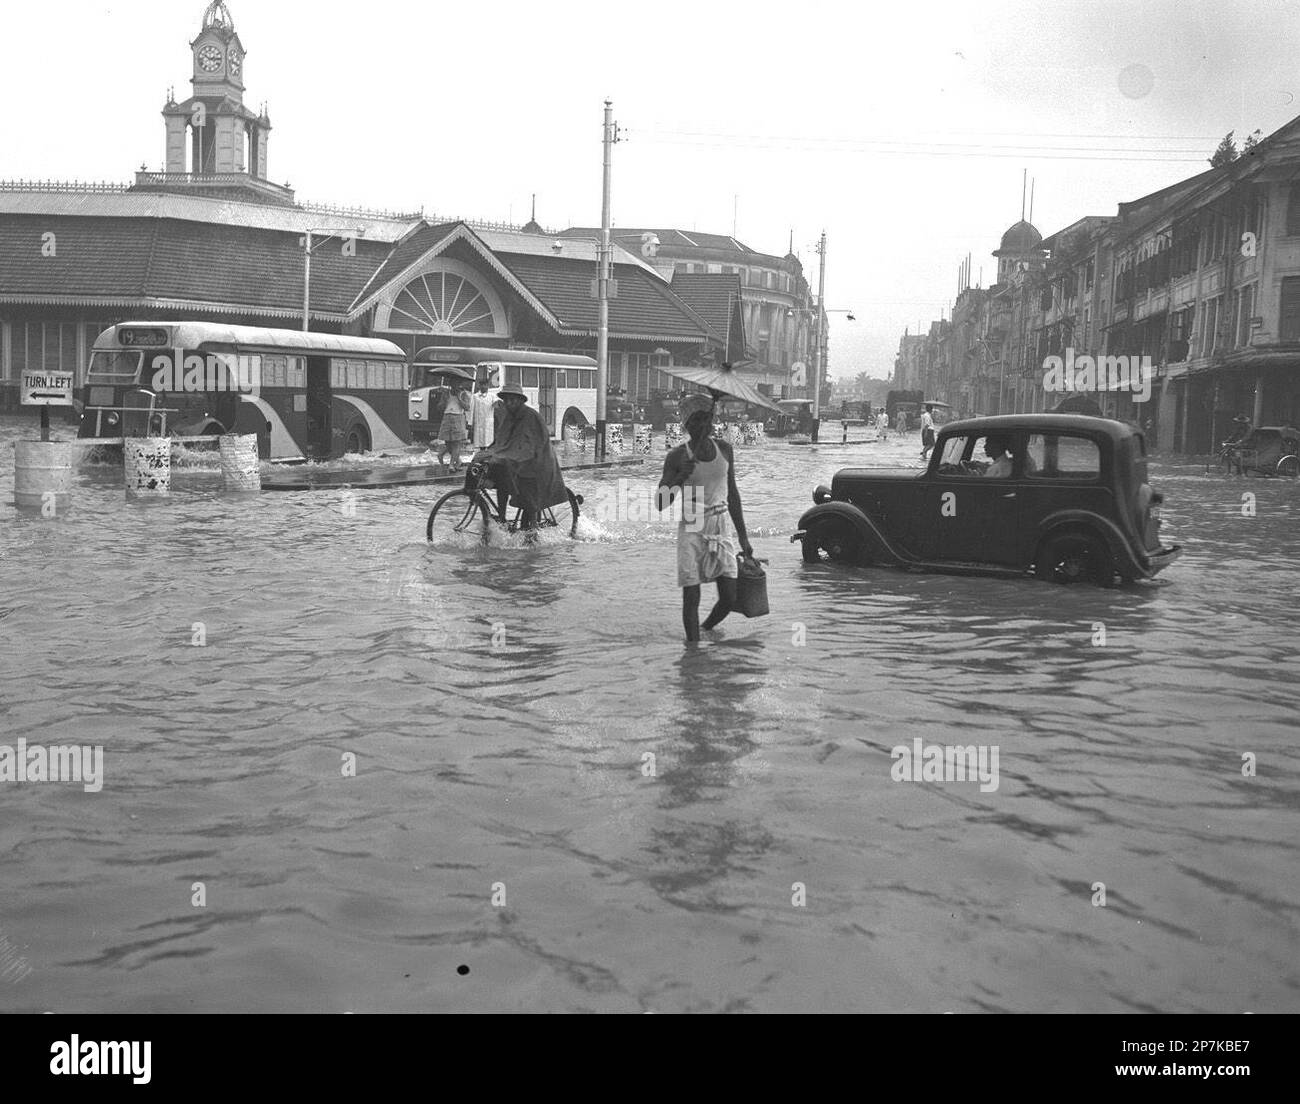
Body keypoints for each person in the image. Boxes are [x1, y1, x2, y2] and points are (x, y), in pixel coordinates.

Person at [657, 393, 753, 643]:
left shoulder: (725, 450)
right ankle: (693, 650)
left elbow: (732, 494)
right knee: (692, 595)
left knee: (729, 596)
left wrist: (743, 537)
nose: (701, 426)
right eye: (695, 421)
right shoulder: (677, 456)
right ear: (686, 425)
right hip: (692, 522)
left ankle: (705, 629)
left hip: (721, 523)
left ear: (712, 421)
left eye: (705, 419)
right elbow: (660, 503)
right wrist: (679, 478)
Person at [471, 384, 567, 534]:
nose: (509, 403)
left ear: (520, 401)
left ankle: (533, 530)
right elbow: (502, 440)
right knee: (497, 473)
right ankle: (502, 517)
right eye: (507, 400)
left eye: (513, 400)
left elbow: (528, 445)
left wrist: (505, 455)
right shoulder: (508, 416)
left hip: (537, 461)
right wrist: (491, 453)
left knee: (528, 489)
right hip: (515, 458)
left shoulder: (531, 416)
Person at [436, 382, 472, 472]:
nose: (455, 386)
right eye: (453, 383)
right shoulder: (446, 394)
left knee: (457, 442)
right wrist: (444, 399)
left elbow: (467, 407)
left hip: (458, 417)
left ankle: (451, 465)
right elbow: (439, 407)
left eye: (457, 384)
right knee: (448, 442)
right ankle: (458, 461)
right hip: (447, 417)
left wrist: (459, 398)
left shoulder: (464, 394)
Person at [469, 373, 498, 449]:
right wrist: (470, 422)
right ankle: (482, 454)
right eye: (482, 385)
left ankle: (488, 455)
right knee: (480, 442)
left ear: (488, 386)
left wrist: (496, 404)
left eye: (485, 385)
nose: (483, 387)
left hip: (488, 422)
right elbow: (471, 410)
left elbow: (496, 405)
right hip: (478, 422)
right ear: (479, 386)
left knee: (488, 441)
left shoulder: (492, 396)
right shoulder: (475, 396)